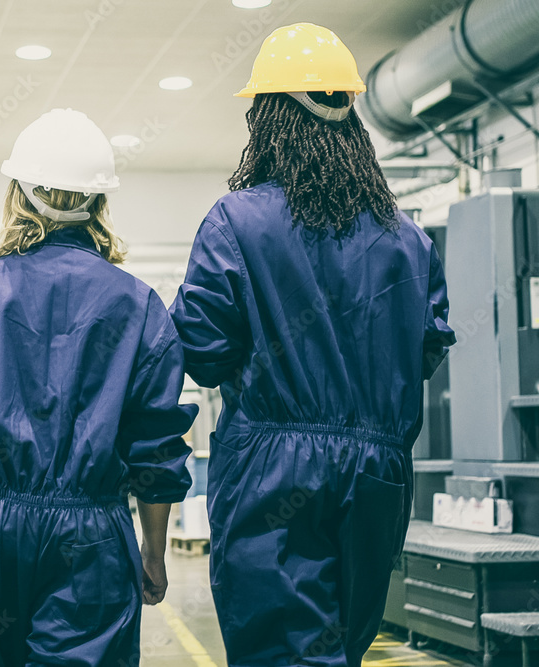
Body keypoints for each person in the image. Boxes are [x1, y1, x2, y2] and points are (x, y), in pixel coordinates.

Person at [169, 23, 456, 667]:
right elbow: (427, 349)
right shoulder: (408, 239)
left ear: (268, 118)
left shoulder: (237, 221)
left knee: (281, 653)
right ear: (349, 115)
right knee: (342, 650)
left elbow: (205, 351)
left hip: (276, 470)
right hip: (379, 472)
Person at [0, 108, 197, 666]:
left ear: (18, 196)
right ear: (99, 203)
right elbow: (156, 447)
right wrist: (154, 551)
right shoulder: (138, 307)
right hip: (92, 538)